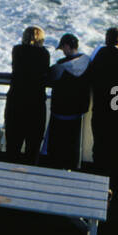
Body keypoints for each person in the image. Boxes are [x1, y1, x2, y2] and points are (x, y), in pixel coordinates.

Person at [87, 28, 118, 174]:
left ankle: (98, 171)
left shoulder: (99, 52)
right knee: (116, 139)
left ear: (106, 39)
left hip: (101, 101)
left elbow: (90, 72)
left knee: (100, 140)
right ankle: (115, 174)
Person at [5, 26, 50, 163]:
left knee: (13, 146)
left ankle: (9, 177)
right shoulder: (44, 54)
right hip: (35, 105)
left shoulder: (17, 50)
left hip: (16, 102)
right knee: (33, 147)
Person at [45, 34, 90, 170]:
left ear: (66, 46)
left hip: (60, 112)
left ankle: (55, 171)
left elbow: (50, 78)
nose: (62, 51)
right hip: (77, 112)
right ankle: (71, 170)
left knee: (56, 147)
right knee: (73, 146)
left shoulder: (60, 66)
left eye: (62, 48)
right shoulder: (88, 62)